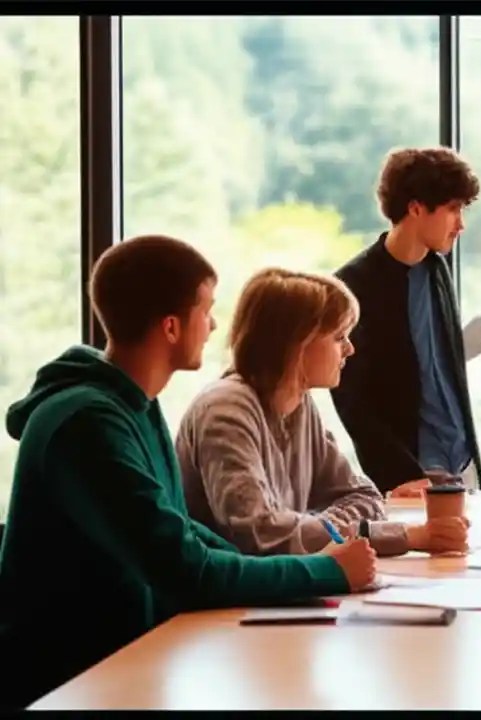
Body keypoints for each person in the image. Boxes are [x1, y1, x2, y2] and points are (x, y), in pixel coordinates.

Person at [0, 236, 376, 709]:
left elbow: (183, 530)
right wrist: (324, 570)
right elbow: (185, 570)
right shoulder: (87, 424)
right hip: (70, 681)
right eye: (207, 309)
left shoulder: (133, 404)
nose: (214, 325)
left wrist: (310, 567)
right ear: (172, 327)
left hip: (133, 659)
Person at [176, 268, 469, 558]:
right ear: (297, 343)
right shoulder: (226, 411)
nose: (350, 349)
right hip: (229, 589)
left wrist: (319, 530)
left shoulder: (299, 404)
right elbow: (260, 534)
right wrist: (396, 535)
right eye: (340, 337)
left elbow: (364, 497)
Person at [332, 147, 481, 497]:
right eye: (453, 209)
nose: (461, 225)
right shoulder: (354, 285)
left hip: (462, 463)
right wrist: (399, 476)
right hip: (413, 476)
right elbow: (352, 403)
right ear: (416, 208)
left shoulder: (437, 268)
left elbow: (432, 357)